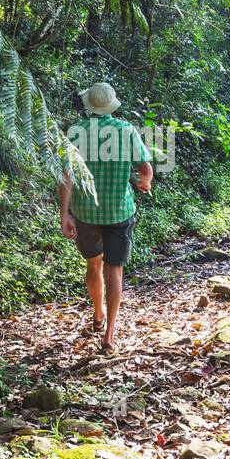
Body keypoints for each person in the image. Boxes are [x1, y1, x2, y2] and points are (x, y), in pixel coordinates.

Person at [58, 83, 153, 351]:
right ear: (111, 105)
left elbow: (65, 176)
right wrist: (144, 182)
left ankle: (97, 314)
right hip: (119, 212)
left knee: (93, 264)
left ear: (89, 106)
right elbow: (145, 169)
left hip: (85, 212)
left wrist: (64, 213)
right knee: (114, 271)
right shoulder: (125, 131)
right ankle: (109, 334)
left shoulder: (75, 132)